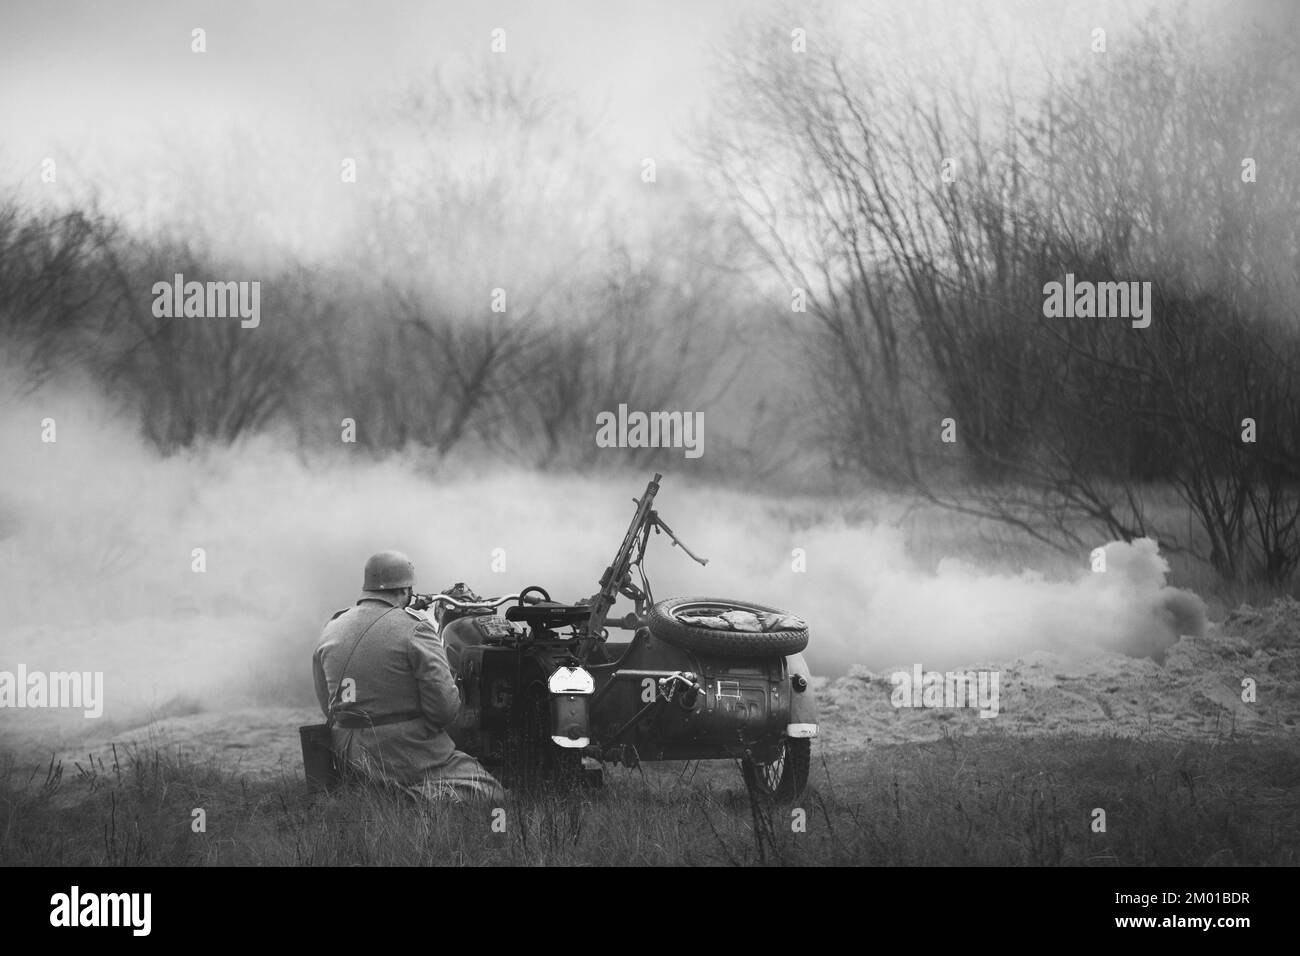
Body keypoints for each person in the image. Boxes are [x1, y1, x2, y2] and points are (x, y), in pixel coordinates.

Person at [312, 550, 505, 802]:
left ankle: (373, 792)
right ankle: (412, 798)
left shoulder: (332, 627)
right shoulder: (415, 628)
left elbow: (327, 706)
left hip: (346, 751)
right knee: (491, 791)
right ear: (405, 590)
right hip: (402, 751)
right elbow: (445, 709)